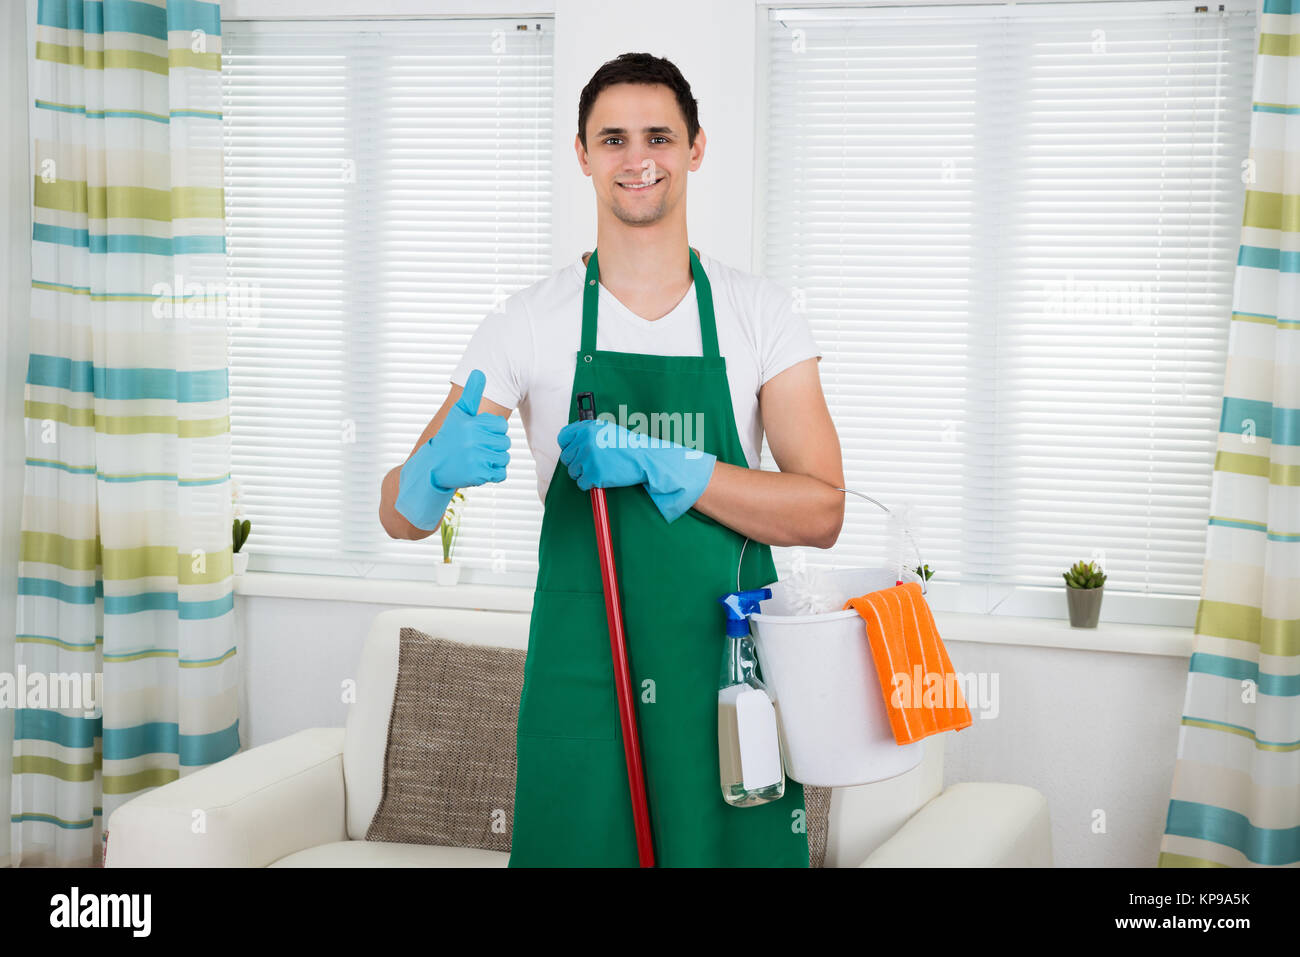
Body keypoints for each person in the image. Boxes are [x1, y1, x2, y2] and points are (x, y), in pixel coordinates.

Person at [379, 52, 844, 867]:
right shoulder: (527, 322)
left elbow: (822, 510)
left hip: (726, 677)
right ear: (583, 154)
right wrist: (432, 473)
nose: (639, 159)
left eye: (660, 136)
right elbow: (400, 517)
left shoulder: (759, 314)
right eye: (615, 138)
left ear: (696, 148)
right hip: (582, 682)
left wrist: (675, 465)